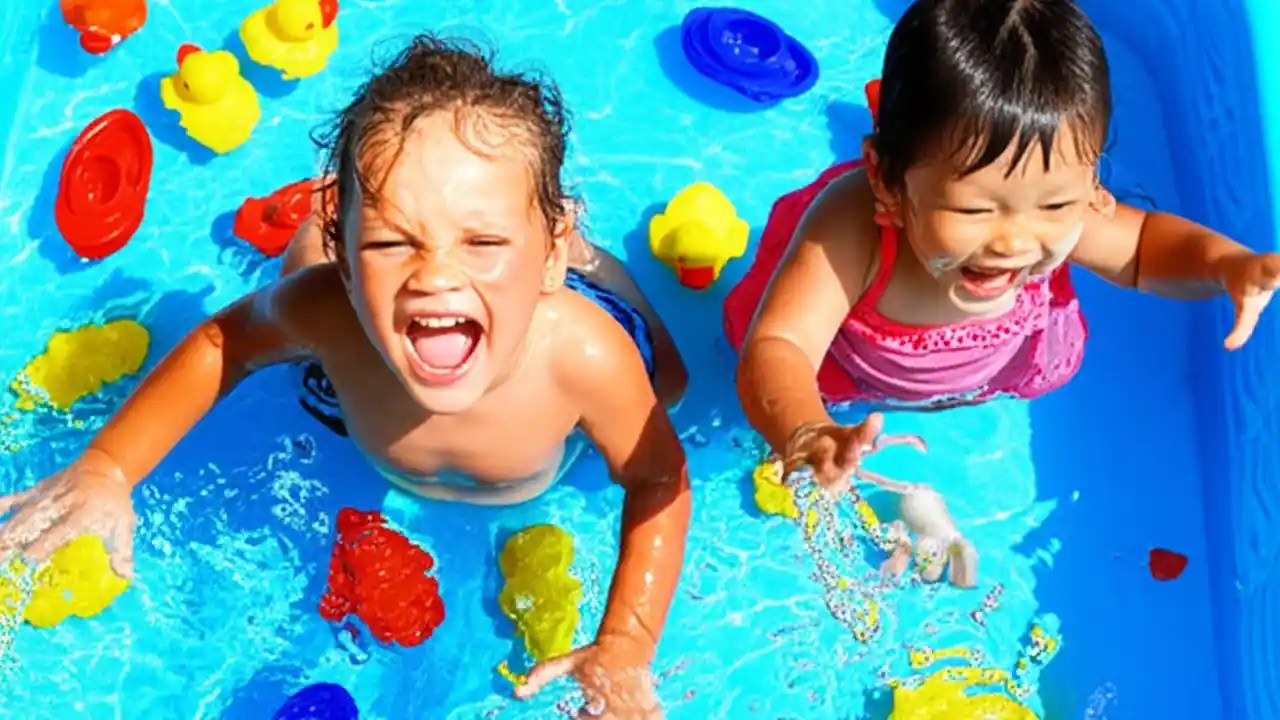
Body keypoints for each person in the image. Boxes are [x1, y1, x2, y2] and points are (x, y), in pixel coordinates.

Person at [0, 35, 690, 718]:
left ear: (543, 260)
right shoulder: (330, 310)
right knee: (300, 295)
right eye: (391, 242)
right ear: (349, 254)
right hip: (360, 359)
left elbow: (657, 477)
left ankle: (582, 254)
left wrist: (625, 643)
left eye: (482, 243)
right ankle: (358, 227)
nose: (436, 274)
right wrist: (109, 467)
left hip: (563, 319)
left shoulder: (585, 356)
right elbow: (223, 342)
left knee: (668, 382)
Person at [725, 0, 1280, 490]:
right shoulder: (854, 227)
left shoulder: (1049, 202)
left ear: (1091, 184)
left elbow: (1141, 250)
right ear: (886, 181)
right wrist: (807, 429)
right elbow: (781, 345)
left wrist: (1226, 263)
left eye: (1059, 204)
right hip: (863, 374)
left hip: (994, 366)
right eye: (973, 209)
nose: (1015, 241)